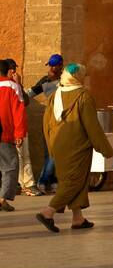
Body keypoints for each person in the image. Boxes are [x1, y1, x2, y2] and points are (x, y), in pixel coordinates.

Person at [35, 64, 113, 233]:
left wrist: (51, 146)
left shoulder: (55, 95)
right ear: (78, 77)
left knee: (72, 179)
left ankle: (78, 218)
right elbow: (92, 126)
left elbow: (46, 123)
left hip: (58, 145)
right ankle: (48, 212)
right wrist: (105, 148)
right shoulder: (83, 96)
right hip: (77, 146)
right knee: (73, 181)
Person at [27, 53, 63, 194]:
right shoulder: (46, 81)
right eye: (50, 65)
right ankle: (43, 180)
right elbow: (30, 93)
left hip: (61, 120)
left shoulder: (64, 81)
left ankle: (53, 181)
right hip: (51, 119)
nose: (52, 68)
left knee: (53, 153)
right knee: (51, 153)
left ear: (60, 66)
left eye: (54, 65)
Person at [2, 58, 38, 196]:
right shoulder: (10, 87)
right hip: (13, 130)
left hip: (16, 129)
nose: (14, 71)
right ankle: (25, 185)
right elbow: (19, 109)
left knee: (22, 157)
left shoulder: (15, 86)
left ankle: (24, 184)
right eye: (12, 69)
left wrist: (19, 84)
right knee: (16, 160)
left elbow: (25, 102)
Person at [0, 60, 27, 213]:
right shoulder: (12, 87)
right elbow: (19, 112)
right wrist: (19, 134)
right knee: (10, 166)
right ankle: (2, 199)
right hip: (5, 134)